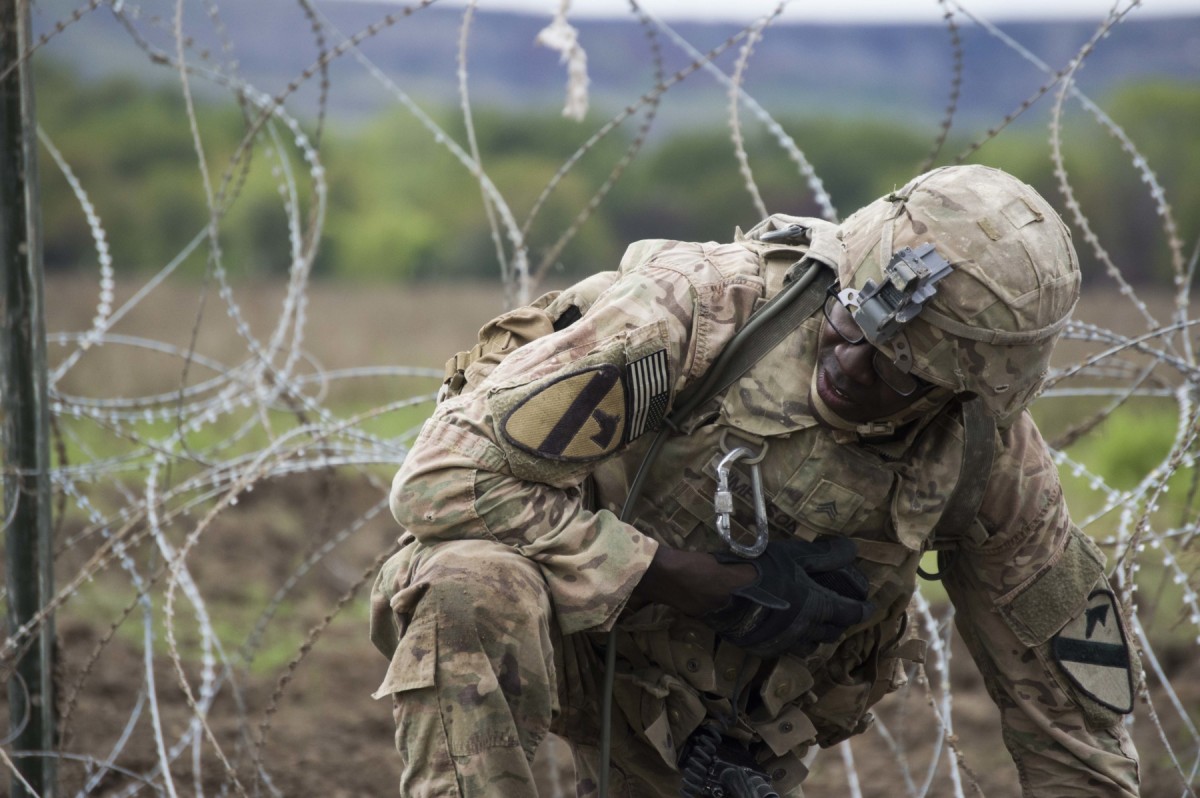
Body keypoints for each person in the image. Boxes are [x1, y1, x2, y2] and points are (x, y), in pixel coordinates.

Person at [369, 164, 1141, 797]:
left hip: (712, 725)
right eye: (849, 323)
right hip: (566, 632)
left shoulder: (987, 455)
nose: (850, 365)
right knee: (465, 582)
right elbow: (441, 477)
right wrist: (677, 576)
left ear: (962, 390)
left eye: (899, 371)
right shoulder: (698, 313)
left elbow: (1068, 724)